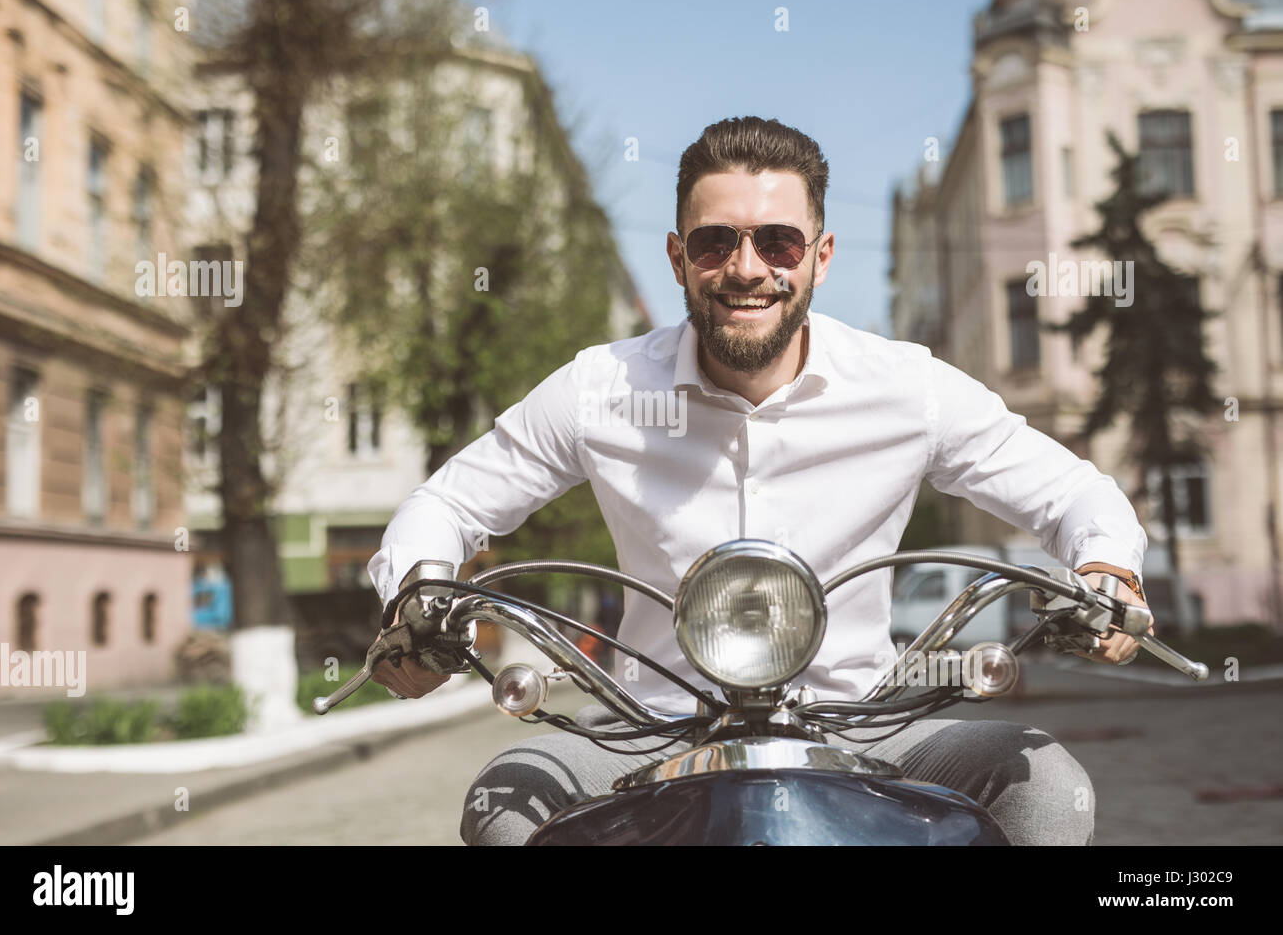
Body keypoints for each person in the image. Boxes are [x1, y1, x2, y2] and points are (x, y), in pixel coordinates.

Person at [366, 116, 1154, 846]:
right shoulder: (600, 388)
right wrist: (420, 599)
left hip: (866, 720)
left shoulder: (906, 386)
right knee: (505, 802)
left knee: (1046, 783)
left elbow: (1073, 494)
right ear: (677, 256)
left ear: (821, 254)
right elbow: (448, 503)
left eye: (779, 241)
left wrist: (1106, 569)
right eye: (715, 243)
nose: (747, 269)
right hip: (652, 725)